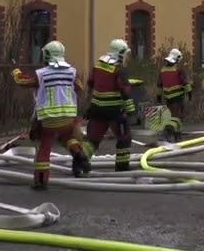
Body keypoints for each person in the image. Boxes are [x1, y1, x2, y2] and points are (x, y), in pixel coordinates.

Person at [12, 40, 91, 188]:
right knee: (68, 137)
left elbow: (22, 82)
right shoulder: (72, 72)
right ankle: (78, 153)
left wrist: (16, 71)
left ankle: (41, 180)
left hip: (48, 120)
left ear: (47, 55)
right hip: (68, 117)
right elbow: (79, 87)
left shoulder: (42, 74)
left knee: (45, 146)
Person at [83, 39, 136, 172]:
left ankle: (80, 162)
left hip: (96, 110)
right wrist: (132, 112)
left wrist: (89, 106)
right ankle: (122, 167)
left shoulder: (98, 65)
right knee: (124, 138)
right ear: (121, 53)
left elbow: (90, 84)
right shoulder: (118, 69)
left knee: (92, 141)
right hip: (114, 111)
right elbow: (125, 91)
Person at [157, 49, 192, 141]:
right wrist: (190, 94)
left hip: (168, 97)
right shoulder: (178, 70)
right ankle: (168, 132)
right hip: (178, 97)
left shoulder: (163, 71)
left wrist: (158, 97)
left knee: (172, 115)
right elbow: (185, 83)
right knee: (177, 116)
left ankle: (177, 134)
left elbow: (159, 86)